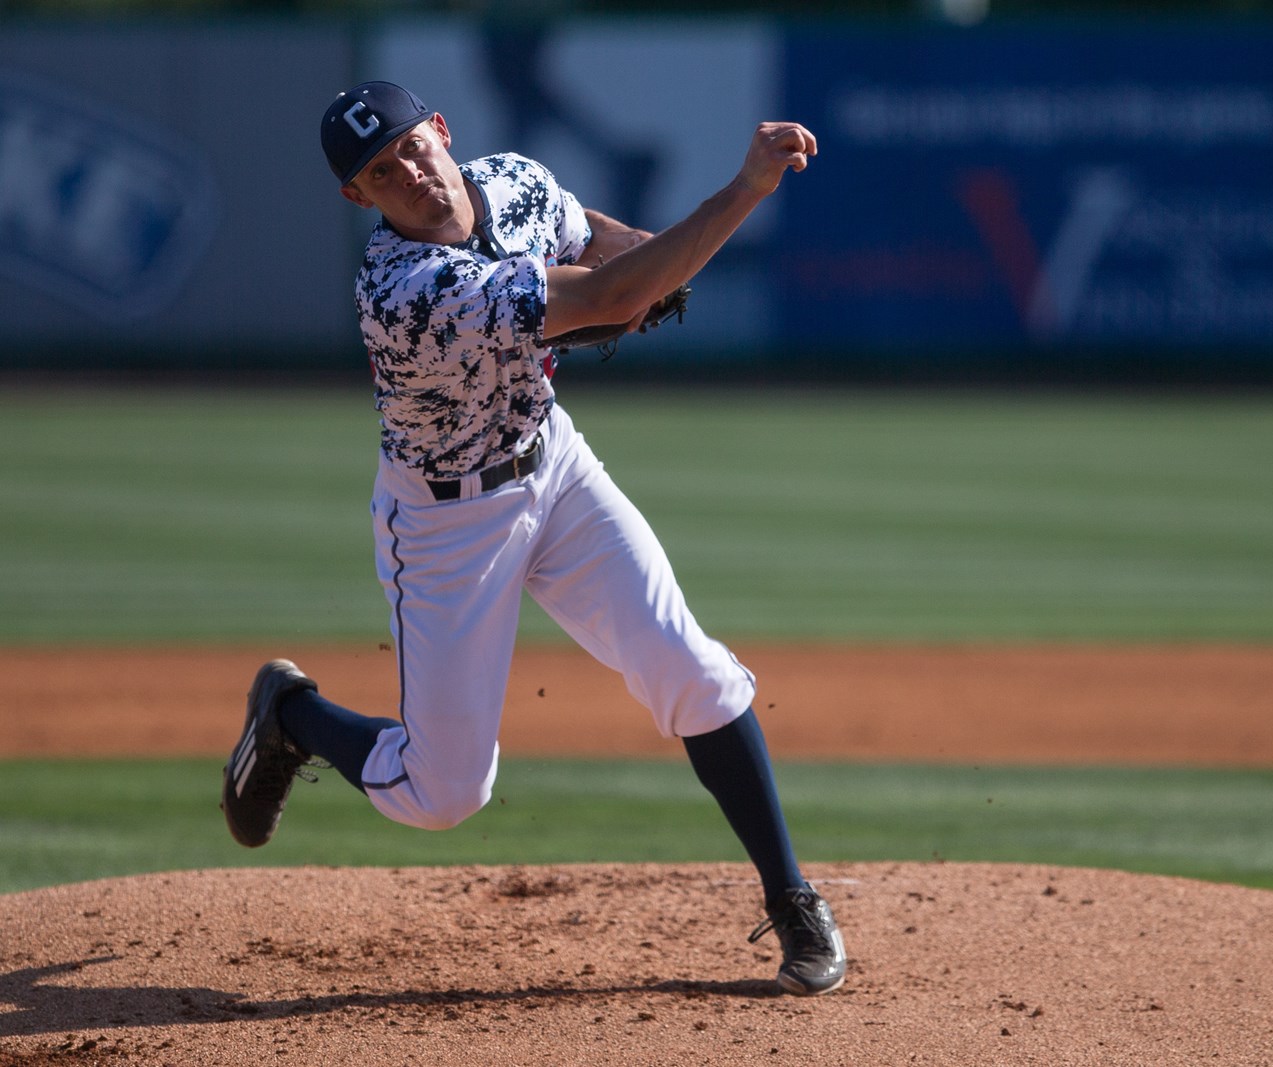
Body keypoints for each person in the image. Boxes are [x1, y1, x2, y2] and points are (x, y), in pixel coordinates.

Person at [222, 80, 846, 997]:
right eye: (381, 174)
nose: (411, 176)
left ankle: (792, 898)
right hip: (444, 524)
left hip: (552, 467)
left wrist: (646, 261)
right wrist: (737, 195)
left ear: (441, 129)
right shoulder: (409, 292)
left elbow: (588, 236)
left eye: (412, 148)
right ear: (359, 198)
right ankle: (290, 716)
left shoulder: (511, 177)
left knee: (692, 669)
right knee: (442, 795)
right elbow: (614, 291)